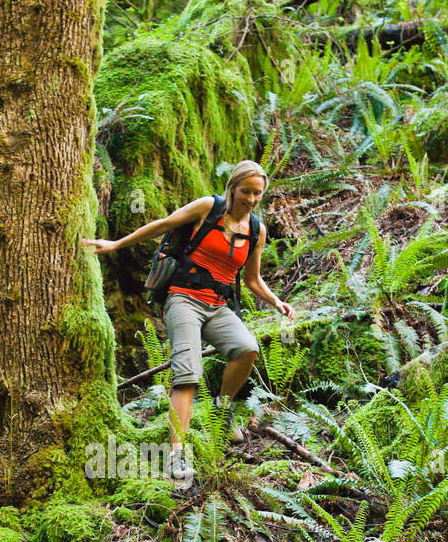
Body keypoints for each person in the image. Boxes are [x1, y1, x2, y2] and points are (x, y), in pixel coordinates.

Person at [83, 160, 292, 484]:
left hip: (218, 306)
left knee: (247, 349)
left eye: (258, 194)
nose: (251, 199)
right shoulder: (209, 207)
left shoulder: (256, 230)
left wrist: (276, 301)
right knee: (187, 376)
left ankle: (222, 413)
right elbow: (164, 224)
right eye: (246, 191)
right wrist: (117, 244)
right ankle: (176, 456)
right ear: (233, 188)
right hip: (183, 299)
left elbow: (252, 279)